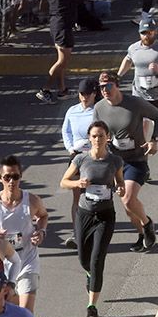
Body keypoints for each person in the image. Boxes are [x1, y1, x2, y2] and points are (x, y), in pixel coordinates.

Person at [59, 120, 125, 317]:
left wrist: (120, 188)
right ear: (89, 138)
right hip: (85, 214)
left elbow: (120, 182)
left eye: (101, 136)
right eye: (94, 136)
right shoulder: (81, 159)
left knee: (97, 260)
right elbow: (63, 182)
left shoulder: (115, 161)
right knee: (83, 259)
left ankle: (92, 307)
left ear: (107, 137)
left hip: (105, 215)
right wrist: (78, 183)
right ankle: (90, 274)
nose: (97, 139)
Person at [93, 70, 158, 252]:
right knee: (127, 205)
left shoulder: (135, 103)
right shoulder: (99, 108)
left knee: (129, 198)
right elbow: (95, 131)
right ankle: (142, 234)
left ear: (117, 85)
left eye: (108, 86)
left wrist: (154, 140)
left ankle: (147, 224)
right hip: (115, 162)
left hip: (136, 159)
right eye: (101, 87)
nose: (105, 90)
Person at [0, 155, 47, 314]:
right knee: (8, 311)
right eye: (7, 177)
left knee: (25, 312)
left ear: (21, 176)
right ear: (0, 178)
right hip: (4, 265)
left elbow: (43, 216)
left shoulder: (32, 200)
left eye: (15, 177)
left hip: (27, 262)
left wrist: (41, 231)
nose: (11, 181)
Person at [37, 0, 88, 104]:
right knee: (62, 62)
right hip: (63, 26)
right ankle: (45, 89)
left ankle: (62, 90)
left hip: (55, 24)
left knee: (62, 62)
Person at [60, 77, 99, 248]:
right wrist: (70, 148)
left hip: (94, 158)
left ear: (94, 94)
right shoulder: (72, 111)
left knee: (94, 196)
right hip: (76, 157)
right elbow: (66, 131)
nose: (84, 97)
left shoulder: (98, 110)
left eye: (88, 94)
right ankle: (77, 234)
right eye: (82, 93)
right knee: (77, 196)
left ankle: (95, 231)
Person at [118, 18, 158, 121]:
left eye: (149, 32)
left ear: (155, 31)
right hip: (139, 95)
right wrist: (118, 76)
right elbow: (128, 60)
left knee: (157, 125)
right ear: (139, 33)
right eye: (143, 33)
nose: (146, 35)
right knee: (140, 124)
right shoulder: (133, 48)